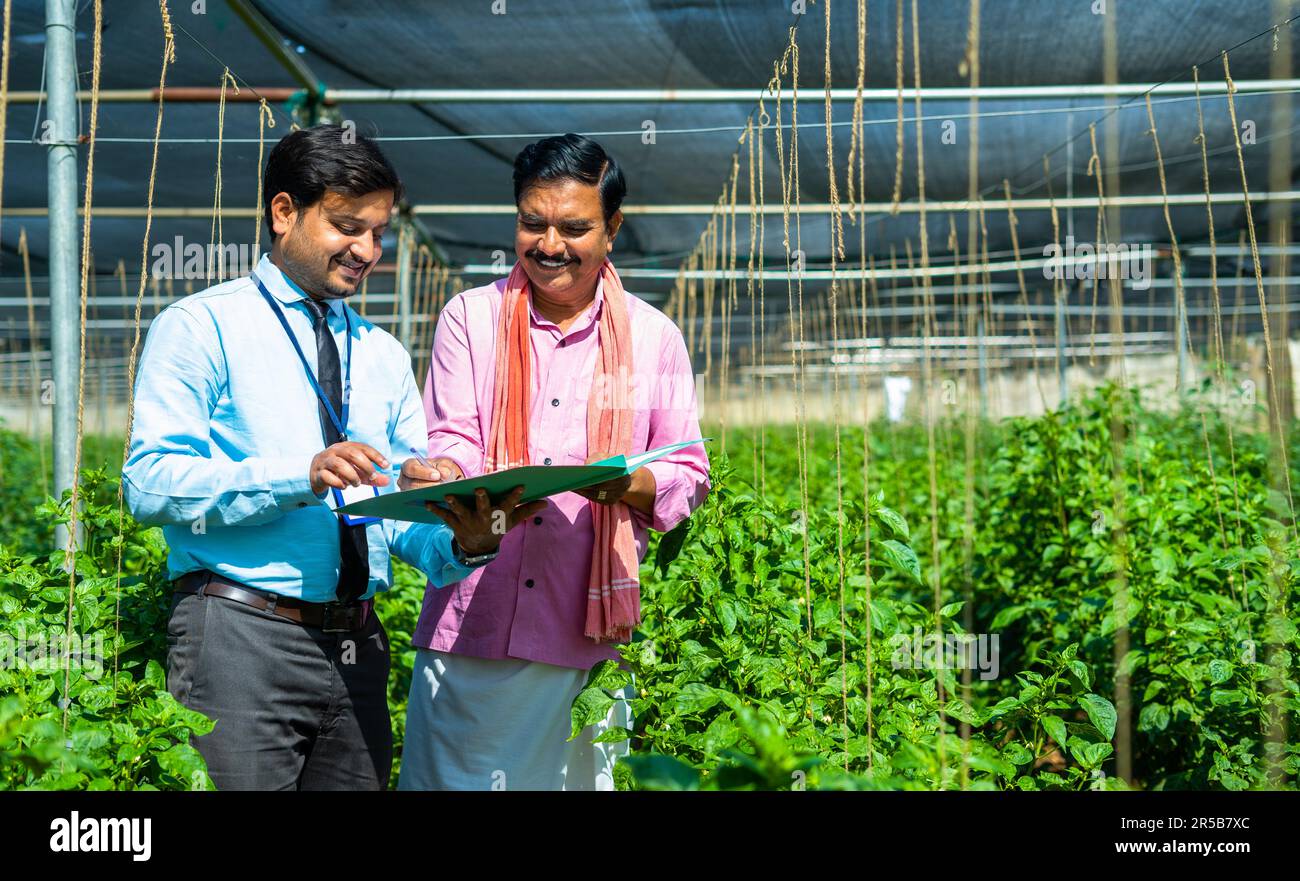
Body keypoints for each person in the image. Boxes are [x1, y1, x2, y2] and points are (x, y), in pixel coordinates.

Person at [123, 124, 542, 791]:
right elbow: (148, 485)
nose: (368, 250)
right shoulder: (202, 326)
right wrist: (301, 473)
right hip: (240, 635)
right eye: (349, 226)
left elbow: (403, 522)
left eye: (378, 232)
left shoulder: (380, 353)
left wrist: (465, 535)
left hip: (357, 646)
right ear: (284, 212)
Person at [398, 133, 710, 791]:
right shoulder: (470, 320)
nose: (549, 244)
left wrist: (629, 485)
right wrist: (450, 479)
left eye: (573, 227)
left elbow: (689, 468)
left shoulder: (654, 338)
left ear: (612, 228)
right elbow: (451, 436)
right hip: (476, 628)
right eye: (531, 223)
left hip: (589, 636)